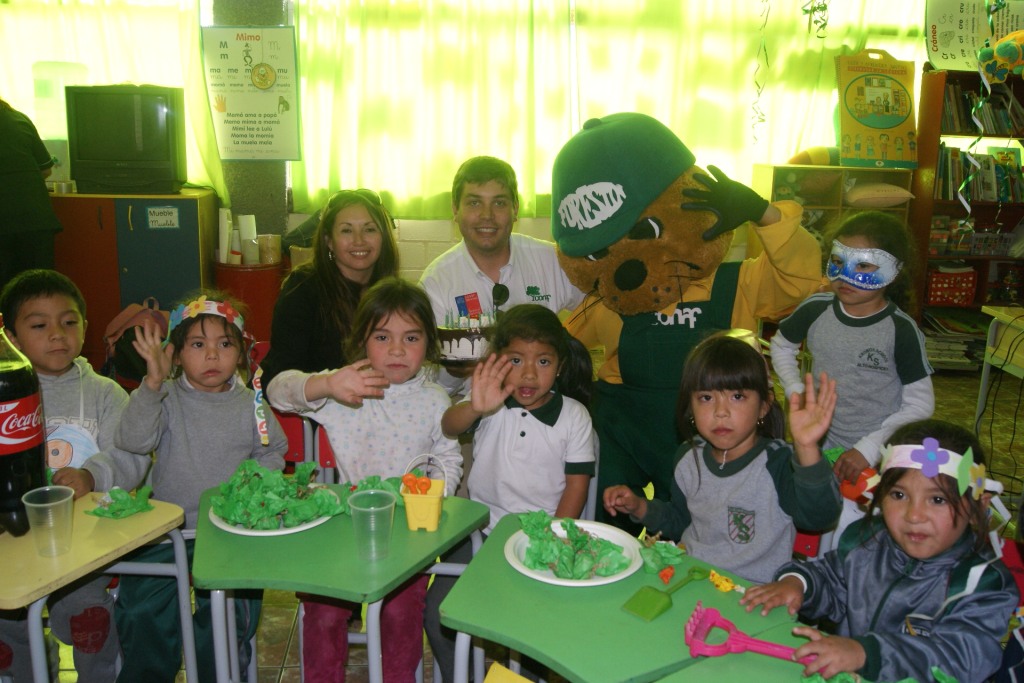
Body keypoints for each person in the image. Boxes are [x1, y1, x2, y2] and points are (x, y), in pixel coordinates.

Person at [267, 277, 461, 683]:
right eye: (382, 336)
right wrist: (327, 384)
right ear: (362, 340)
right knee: (321, 612)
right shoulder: (344, 387)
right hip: (341, 530)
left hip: (406, 535)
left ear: (429, 344)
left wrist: (435, 498)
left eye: (411, 337)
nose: (396, 349)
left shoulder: (434, 400)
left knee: (402, 612)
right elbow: (277, 390)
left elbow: (447, 459)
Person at [741, 420, 1018, 683]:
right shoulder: (867, 542)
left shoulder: (983, 584)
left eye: (937, 499)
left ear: (977, 508)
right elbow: (830, 578)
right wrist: (798, 583)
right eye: (899, 495)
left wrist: (866, 653)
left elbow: (959, 659)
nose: (914, 515)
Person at [113, 290, 288, 683]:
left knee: (228, 618)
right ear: (175, 354)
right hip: (165, 531)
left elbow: (273, 448)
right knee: (141, 613)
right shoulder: (165, 398)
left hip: (229, 532)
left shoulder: (252, 403)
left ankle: (220, 675)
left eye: (225, 344)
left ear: (241, 354)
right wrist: (152, 384)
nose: (212, 355)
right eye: (197, 344)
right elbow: (133, 441)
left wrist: (257, 479)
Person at [424, 304, 597, 683]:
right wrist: (476, 406)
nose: (530, 374)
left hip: (540, 539)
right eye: (516, 360)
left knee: (535, 634)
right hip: (478, 532)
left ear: (561, 366)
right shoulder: (488, 401)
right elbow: (450, 426)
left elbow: (577, 488)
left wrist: (549, 542)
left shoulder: (574, 416)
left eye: (544, 361)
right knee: (440, 611)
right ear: (498, 362)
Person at [603, 331, 842, 584]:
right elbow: (681, 521)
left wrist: (806, 449)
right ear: (690, 407)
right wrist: (640, 507)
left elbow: (820, 518)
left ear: (763, 405)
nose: (720, 412)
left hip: (753, 593)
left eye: (737, 397)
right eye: (706, 398)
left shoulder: (777, 462)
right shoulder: (688, 457)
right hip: (692, 579)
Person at [0, 270, 139, 682]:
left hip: (85, 545)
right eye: (40, 325)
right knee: (8, 626)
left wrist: (92, 476)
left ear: (85, 326)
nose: (58, 333)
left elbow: (131, 456)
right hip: (12, 542)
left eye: (69, 321)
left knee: (88, 617)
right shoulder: (6, 392)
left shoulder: (106, 394)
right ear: (9, 337)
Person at [770, 211, 934, 548]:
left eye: (864, 266)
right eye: (839, 260)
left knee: (860, 536)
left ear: (894, 272)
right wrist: (796, 388)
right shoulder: (816, 309)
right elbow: (781, 344)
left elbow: (920, 404)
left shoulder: (900, 331)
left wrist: (867, 448)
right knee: (819, 524)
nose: (846, 275)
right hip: (821, 448)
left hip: (876, 457)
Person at [418, 156, 585, 393]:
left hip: (545, 403)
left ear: (515, 209)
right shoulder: (437, 281)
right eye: (474, 203)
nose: (487, 215)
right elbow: (432, 382)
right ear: (455, 210)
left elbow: (597, 307)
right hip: (475, 410)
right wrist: (456, 369)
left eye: (499, 203)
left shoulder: (551, 260)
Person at [259, 188, 399, 391]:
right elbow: (282, 377)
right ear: (329, 241)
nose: (359, 240)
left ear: (383, 238)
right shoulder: (302, 289)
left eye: (369, 229)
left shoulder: (390, 292)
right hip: (305, 410)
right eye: (346, 230)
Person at [0, 97, 63, 291]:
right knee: (39, 290)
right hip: (37, 222)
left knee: (5, 295)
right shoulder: (19, 119)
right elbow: (46, 169)